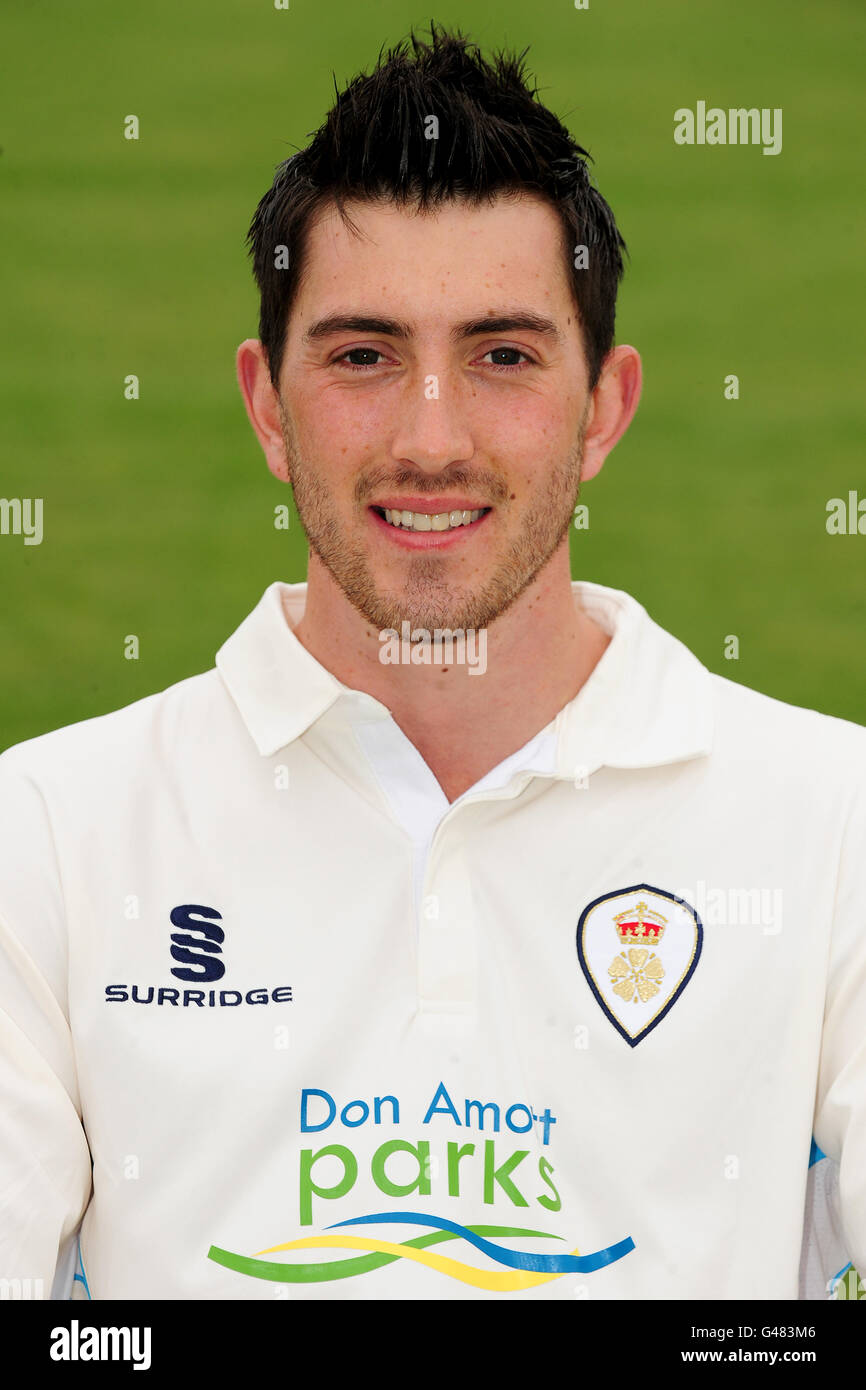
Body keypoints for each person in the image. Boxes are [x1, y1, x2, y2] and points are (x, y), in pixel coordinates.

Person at [0, 26, 863, 1303]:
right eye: (362, 356)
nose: (429, 435)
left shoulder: (833, 820)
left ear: (604, 406)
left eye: (502, 356)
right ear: (266, 406)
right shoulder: (50, 833)